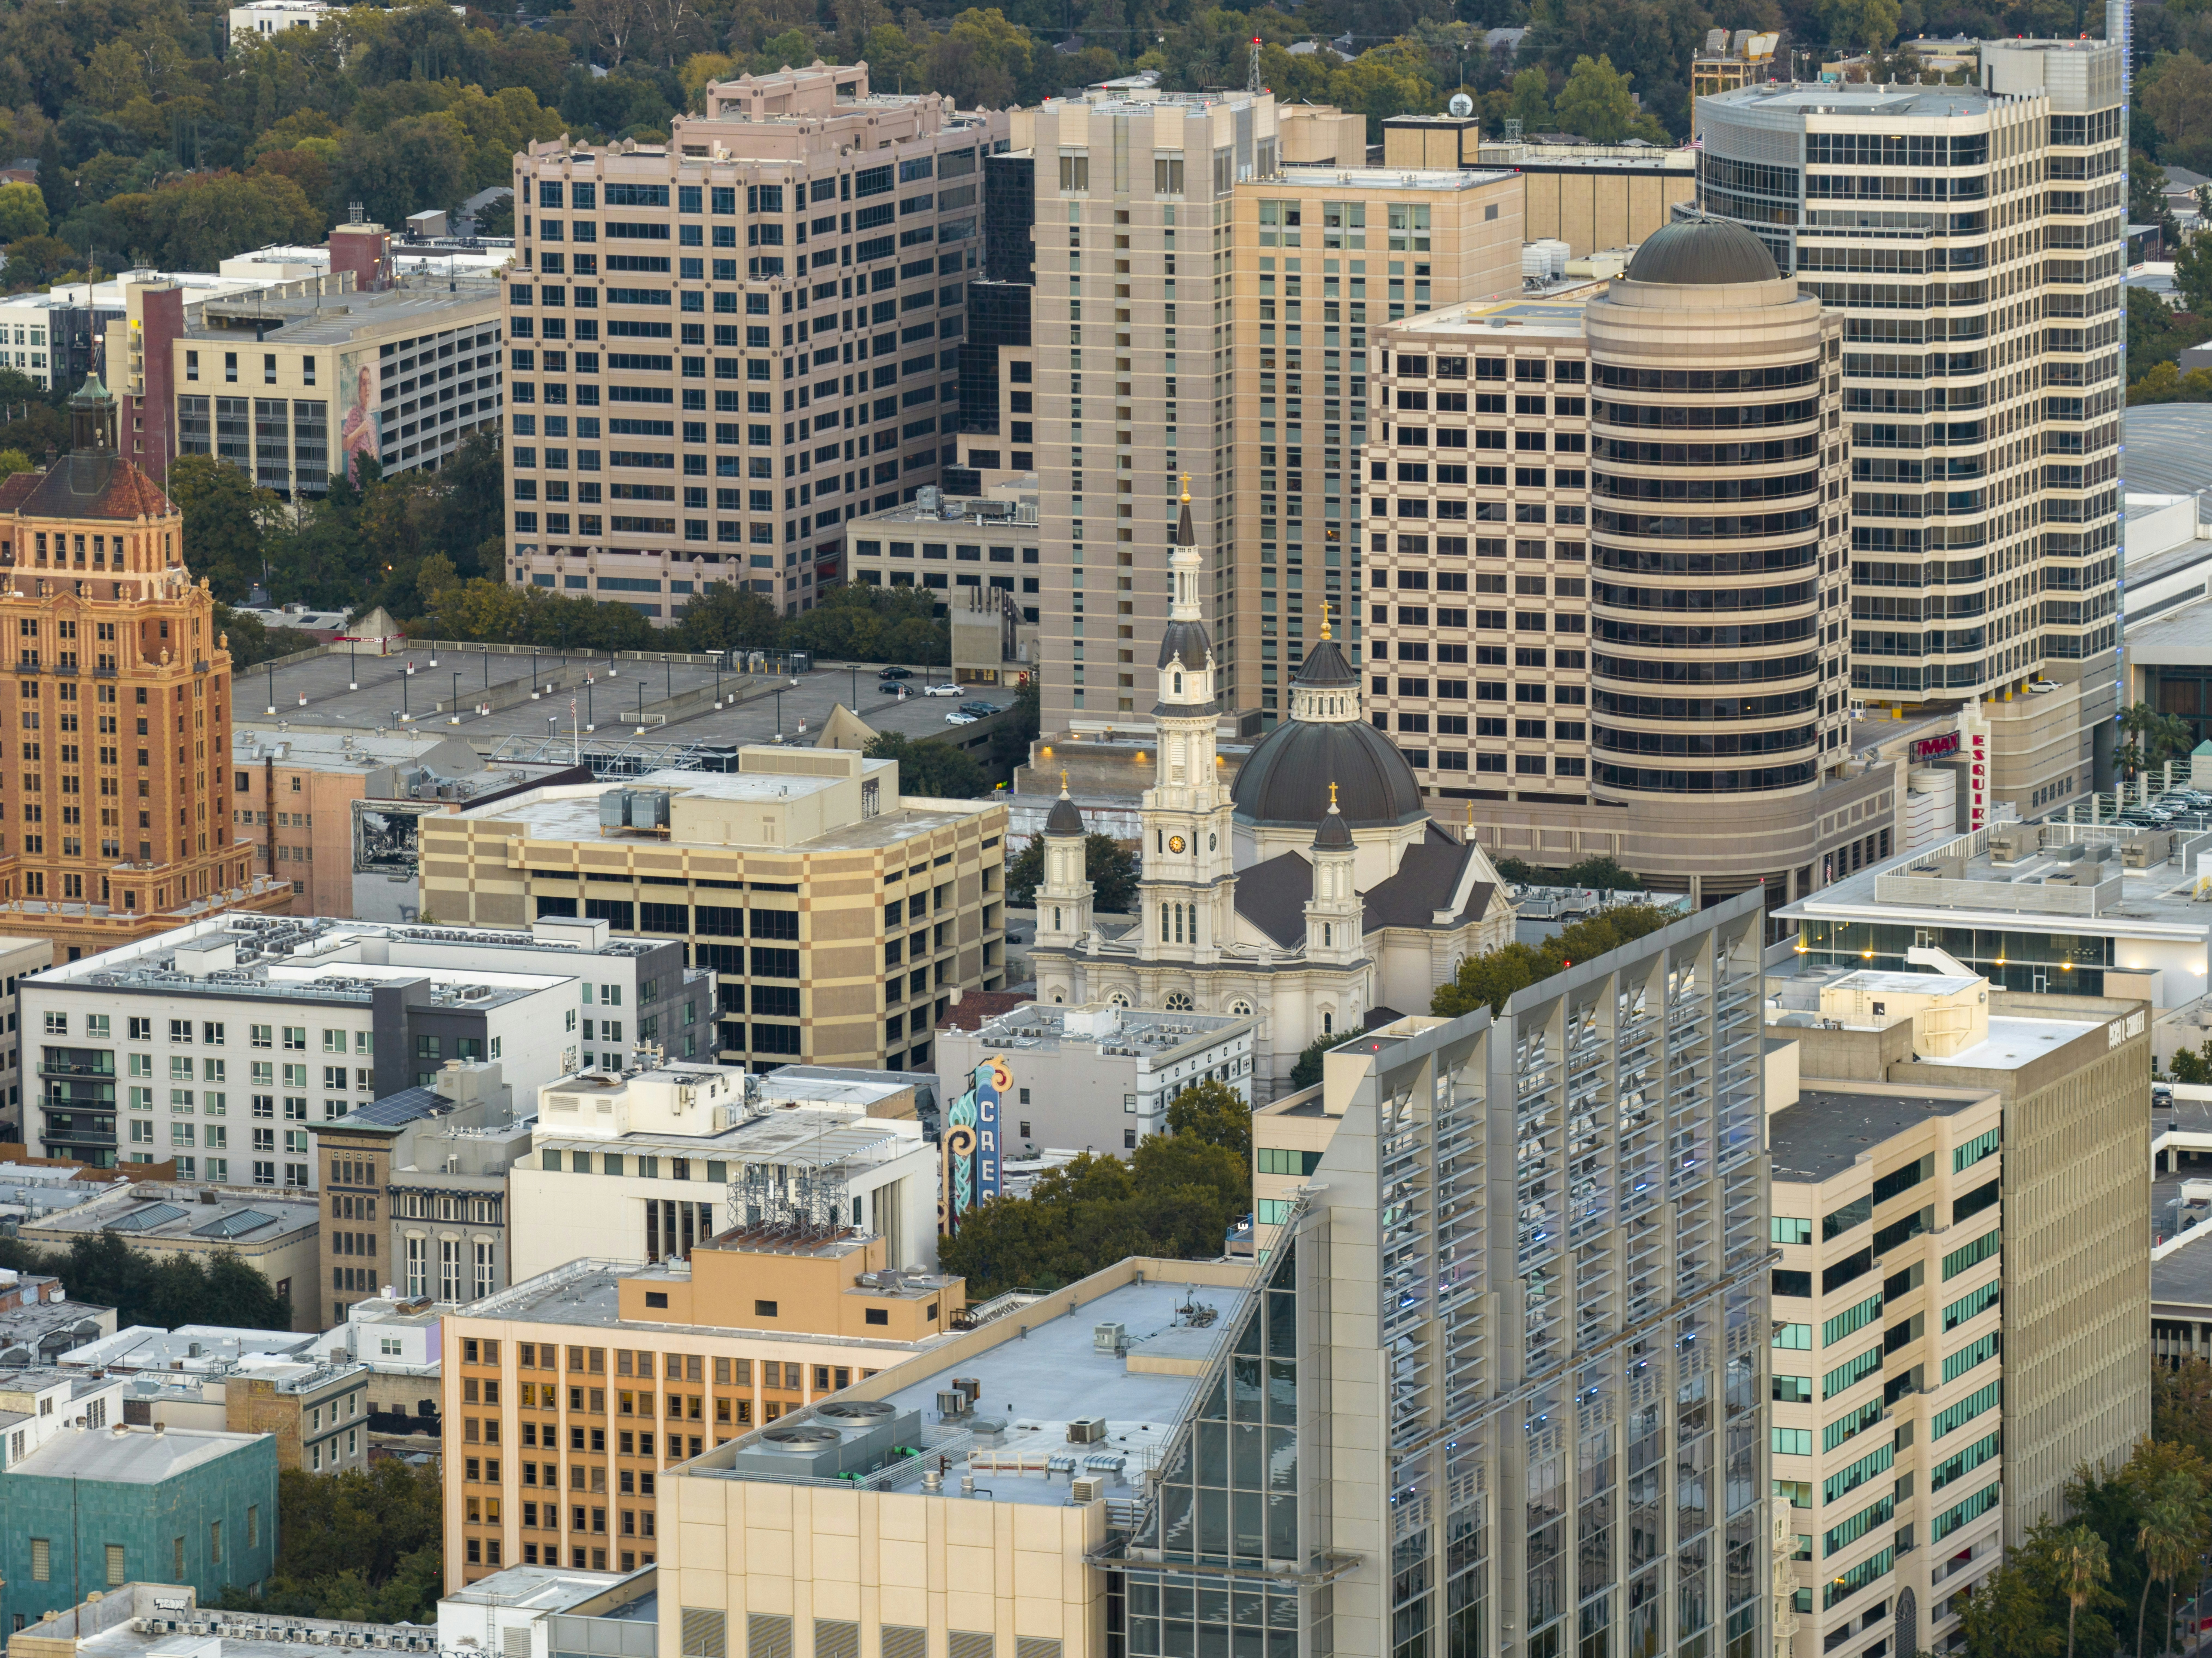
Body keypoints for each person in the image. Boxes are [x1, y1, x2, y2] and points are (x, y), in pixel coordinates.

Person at [339, 361, 378, 481]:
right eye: (364, 384)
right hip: (356, 479)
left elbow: (376, 454)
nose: (367, 388)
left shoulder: (372, 420)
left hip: (369, 478)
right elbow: (345, 446)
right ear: (359, 389)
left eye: (369, 383)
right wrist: (358, 431)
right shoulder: (354, 413)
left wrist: (375, 455)